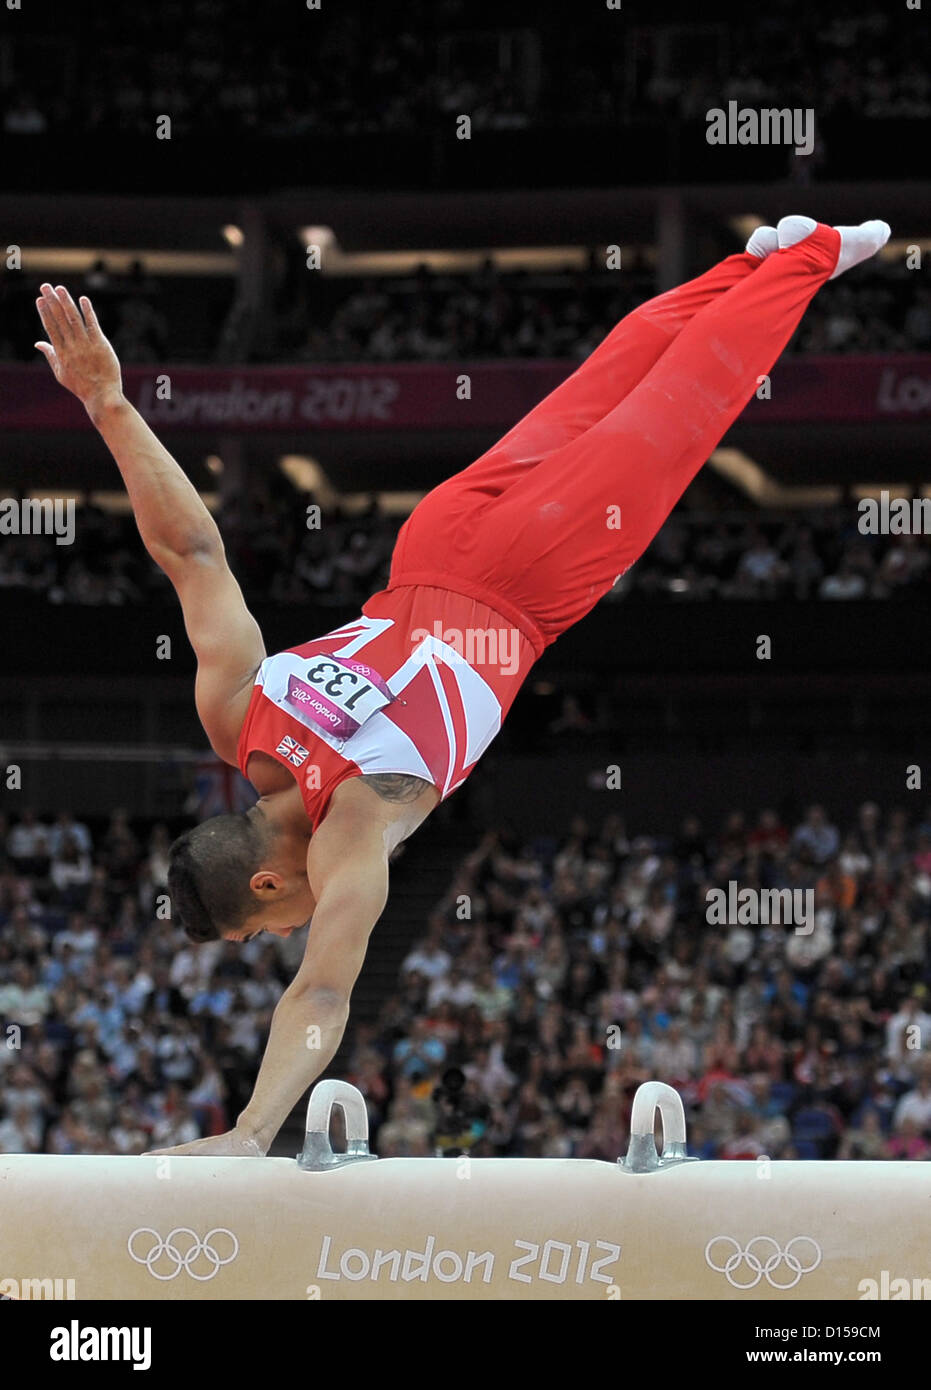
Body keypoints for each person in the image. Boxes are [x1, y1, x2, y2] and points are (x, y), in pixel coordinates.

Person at [33, 214, 890, 1157]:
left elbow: (320, 992)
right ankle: (751, 259)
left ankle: (809, 260)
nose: (281, 934)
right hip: (434, 538)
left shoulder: (354, 826)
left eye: (261, 929)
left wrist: (249, 1131)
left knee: (683, 411)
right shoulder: (237, 713)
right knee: (602, 390)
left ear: (269, 879)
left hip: (529, 582)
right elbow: (192, 553)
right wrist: (110, 405)